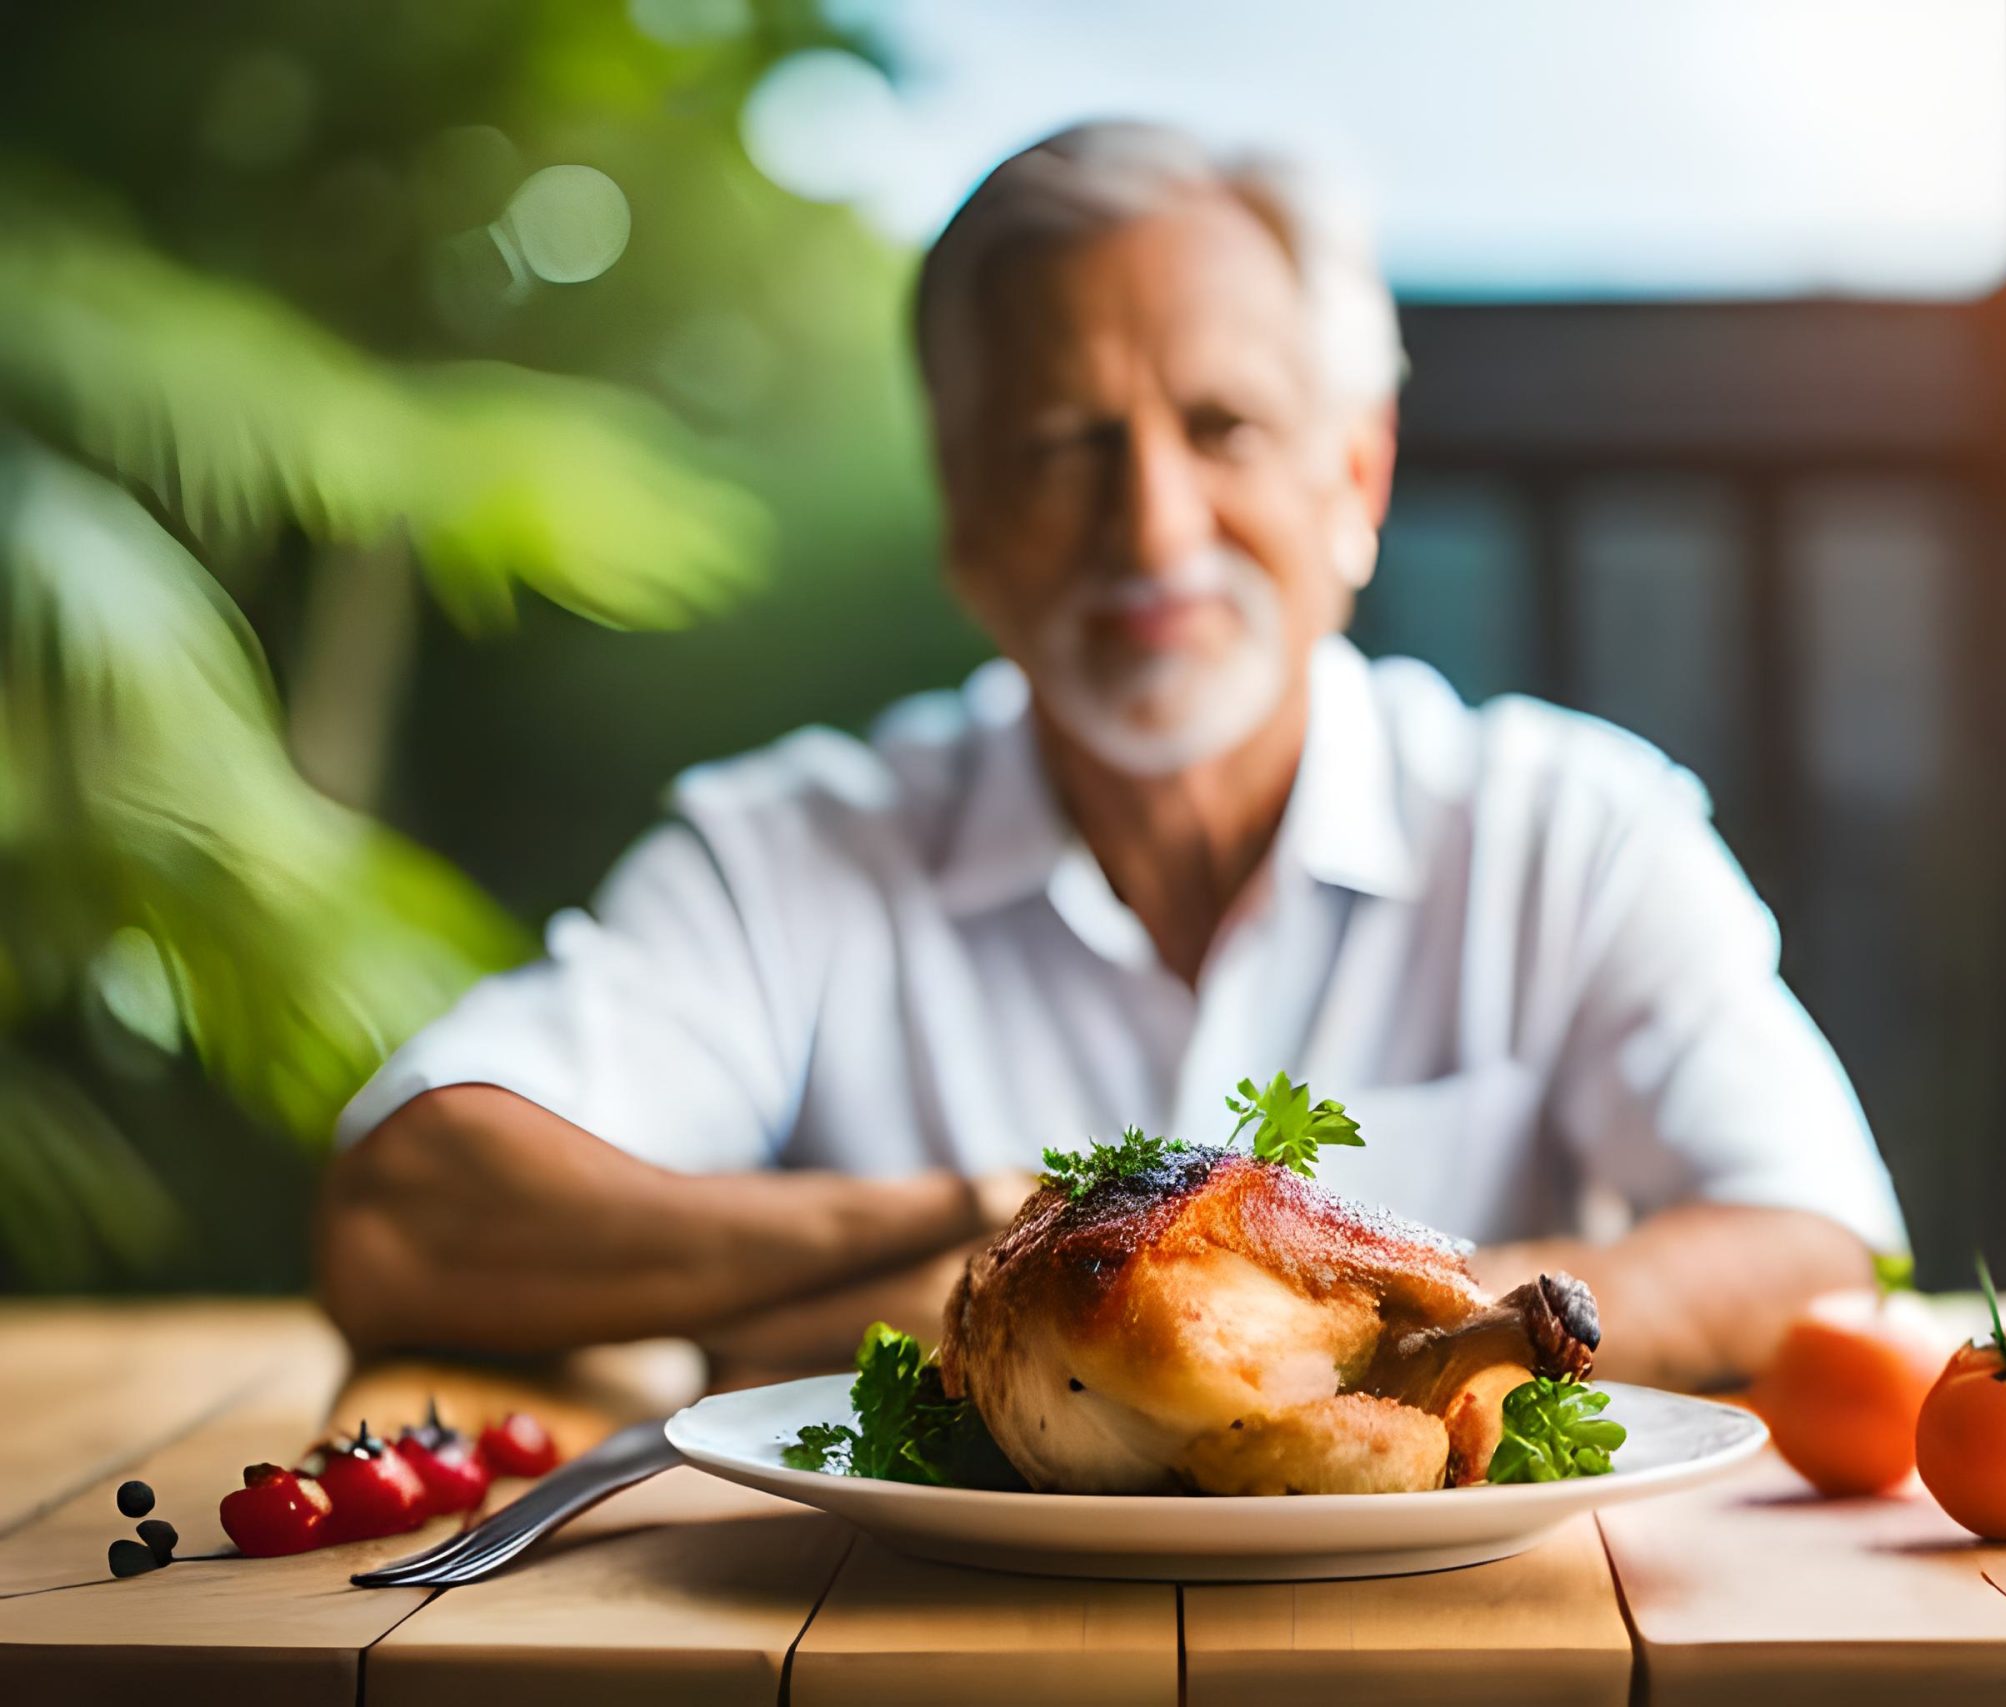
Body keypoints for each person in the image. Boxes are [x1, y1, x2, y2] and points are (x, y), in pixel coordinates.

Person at [317, 121, 1904, 1393]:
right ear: (966, 522)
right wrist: (980, 1221)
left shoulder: (1573, 827)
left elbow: (1814, 1236)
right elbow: (409, 1207)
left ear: (1356, 479)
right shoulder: (789, 846)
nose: (1152, 526)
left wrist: (1286, 1312)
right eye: (1068, 445)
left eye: (1222, 429)